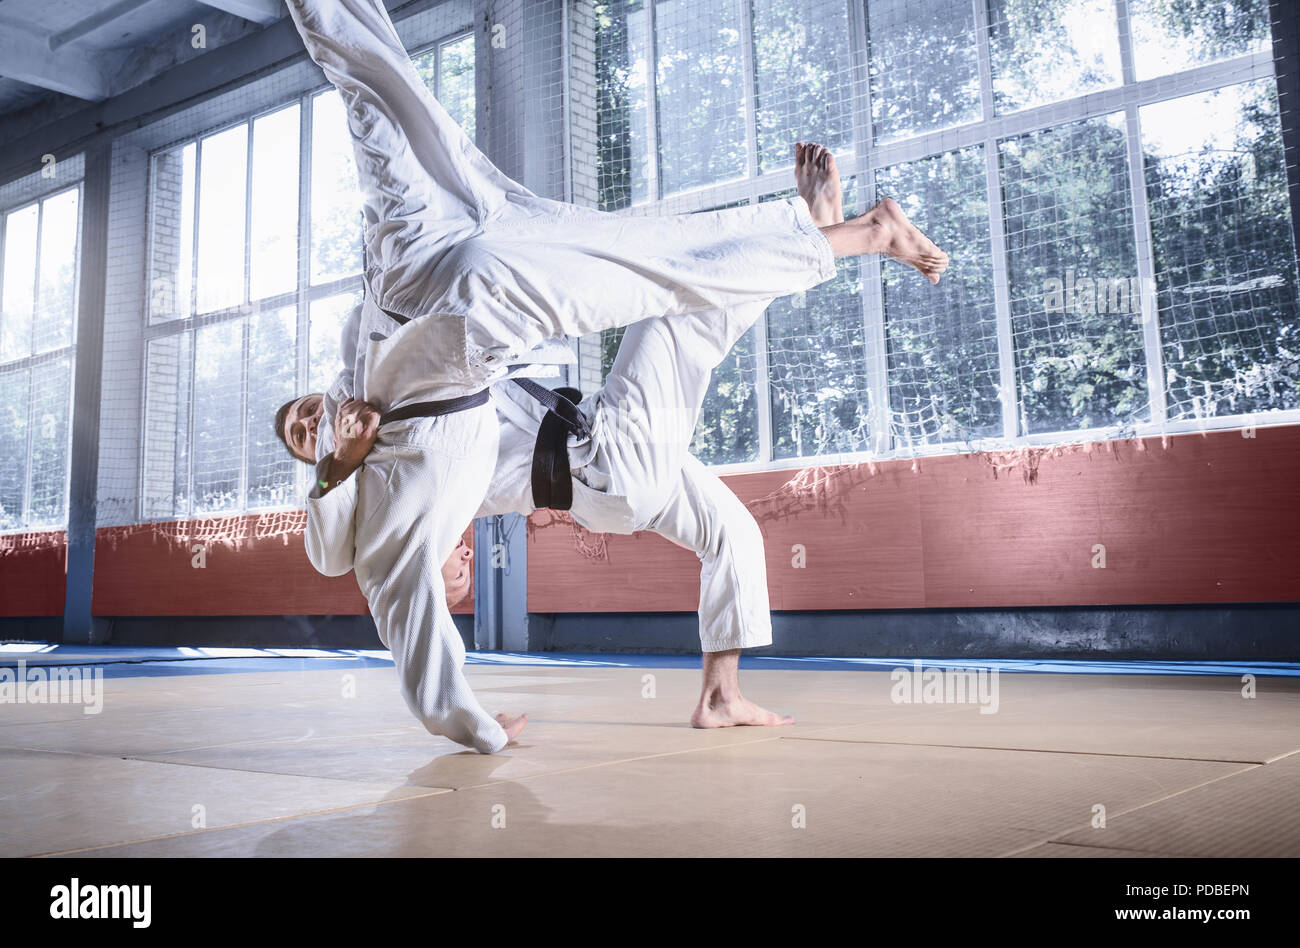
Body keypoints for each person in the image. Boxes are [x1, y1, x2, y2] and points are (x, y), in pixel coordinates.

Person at [278, 0, 947, 754]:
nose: (460, 561)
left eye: (300, 413)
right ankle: (841, 236)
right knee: (675, 300)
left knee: (733, 533)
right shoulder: (404, 494)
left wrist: (335, 432)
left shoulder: (373, 387)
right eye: (458, 572)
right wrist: (467, 721)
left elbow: (364, 384)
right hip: (611, 460)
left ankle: (722, 696)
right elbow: (377, 579)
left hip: (582, 407)